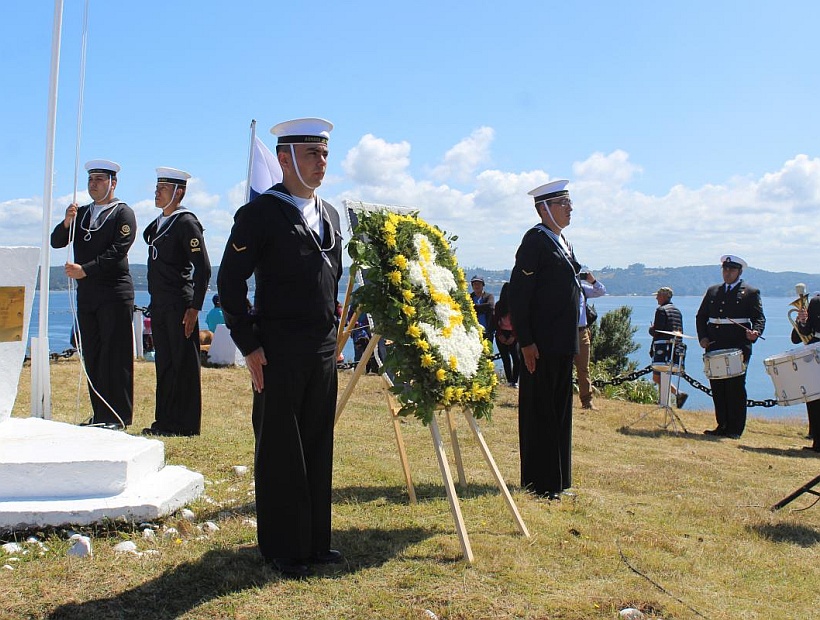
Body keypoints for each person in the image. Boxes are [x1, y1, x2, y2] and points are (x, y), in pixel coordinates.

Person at [217, 117, 343, 578]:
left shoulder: (329, 213)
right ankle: (282, 547)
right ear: (285, 157)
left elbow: (331, 281)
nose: (322, 162)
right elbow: (230, 283)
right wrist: (248, 344)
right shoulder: (262, 213)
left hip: (323, 349)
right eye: (312, 154)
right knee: (280, 448)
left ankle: (315, 542)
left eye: (326, 153)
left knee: (316, 441)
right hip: (277, 348)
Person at [50, 159, 136, 430]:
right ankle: (100, 414)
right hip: (88, 295)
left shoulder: (123, 213)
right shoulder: (83, 213)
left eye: (99, 179)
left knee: (115, 354)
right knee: (94, 354)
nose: (93, 184)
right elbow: (56, 241)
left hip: (114, 292)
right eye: (91, 179)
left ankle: (118, 416)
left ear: (113, 182)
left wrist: (84, 270)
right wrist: (66, 222)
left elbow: (117, 251)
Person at [510, 179, 580, 501]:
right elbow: (519, 296)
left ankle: (560, 479)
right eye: (562, 203)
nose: (569, 208)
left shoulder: (562, 241)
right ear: (543, 208)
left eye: (569, 202)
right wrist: (525, 341)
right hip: (541, 344)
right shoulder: (535, 241)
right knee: (541, 414)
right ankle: (540, 482)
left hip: (563, 342)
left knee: (560, 411)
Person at [141, 167, 211, 437]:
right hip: (159, 303)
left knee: (184, 364)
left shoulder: (186, 223)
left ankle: (186, 424)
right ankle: (165, 421)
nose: (157, 192)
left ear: (178, 192)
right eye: (157, 187)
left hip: (180, 304)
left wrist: (194, 307)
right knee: (166, 363)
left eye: (163, 188)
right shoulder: (160, 223)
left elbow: (202, 268)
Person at [695, 255, 765, 439]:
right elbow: (701, 316)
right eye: (725, 269)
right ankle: (722, 425)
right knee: (717, 386)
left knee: (735, 388)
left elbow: (759, 318)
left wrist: (755, 332)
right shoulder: (713, 291)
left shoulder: (750, 292)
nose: (727, 273)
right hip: (715, 344)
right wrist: (703, 337)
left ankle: (735, 429)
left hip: (737, 346)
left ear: (739, 272)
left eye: (731, 270)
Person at [648, 286, 688, 408]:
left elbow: (658, 331)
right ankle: (668, 398)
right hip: (674, 347)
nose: (656, 298)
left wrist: (651, 330)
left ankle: (670, 398)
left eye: (658, 296)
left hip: (663, 348)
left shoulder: (661, 310)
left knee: (657, 376)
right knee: (661, 376)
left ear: (664, 296)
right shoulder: (677, 311)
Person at [792, 293, 820, 452]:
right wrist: (802, 320)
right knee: (815, 398)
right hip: (815, 351)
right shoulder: (816, 301)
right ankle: (817, 441)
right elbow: (802, 333)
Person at [574, 271, 606, 410]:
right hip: (564, 332)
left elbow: (601, 291)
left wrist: (591, 280)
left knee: (583, 369)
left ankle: (587, 401)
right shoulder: (558, 288)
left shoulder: (582, 288)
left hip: (582, 332)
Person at [494, 282, 519, 388]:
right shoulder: (499, 305)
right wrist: (500, 335)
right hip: (502, 334)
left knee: (516, 358)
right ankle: (510, 381)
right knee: (506, 359)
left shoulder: (516, 306)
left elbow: (518, 323)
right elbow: (496, 321)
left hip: (513, 334)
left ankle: (514, 380)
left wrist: (513, 336)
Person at [470, 276, 495, 344]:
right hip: (473, 332)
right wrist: (483, 308)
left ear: (483, 285)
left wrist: (474, 308)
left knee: (488, 353)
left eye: (479, 284)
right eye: (475, 284)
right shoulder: (469, 297)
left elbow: (490, 306)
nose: (476, 286)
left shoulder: (489, 296)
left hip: (487, 331)